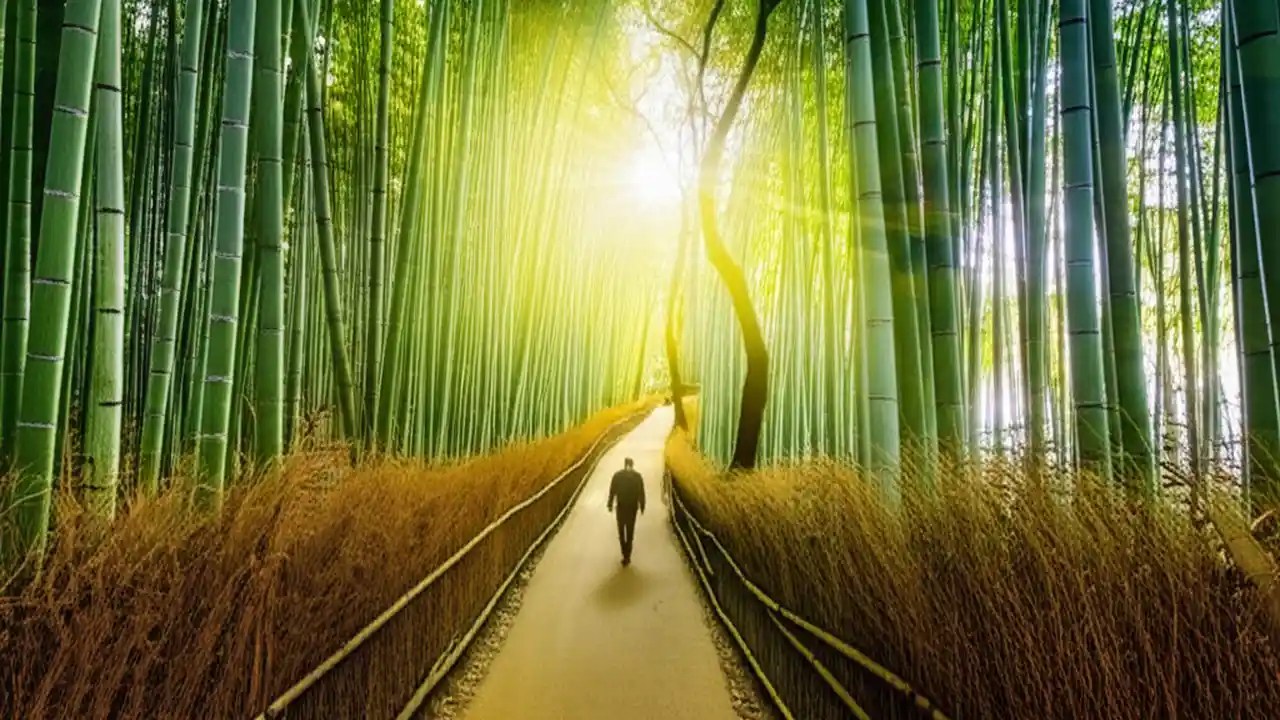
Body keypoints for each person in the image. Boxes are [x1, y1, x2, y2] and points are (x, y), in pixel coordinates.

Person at [607, 458, 646, 566]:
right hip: (632, 508)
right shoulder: (637, 477)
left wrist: (610, 504)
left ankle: (624, 552)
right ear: (632, 465)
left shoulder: (617, 476)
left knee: (621, 531)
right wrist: (642, 505)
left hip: (621, 507)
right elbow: (641, 492)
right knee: (630, 532)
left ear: (624, 464)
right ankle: (627, 555)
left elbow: (612, 491)